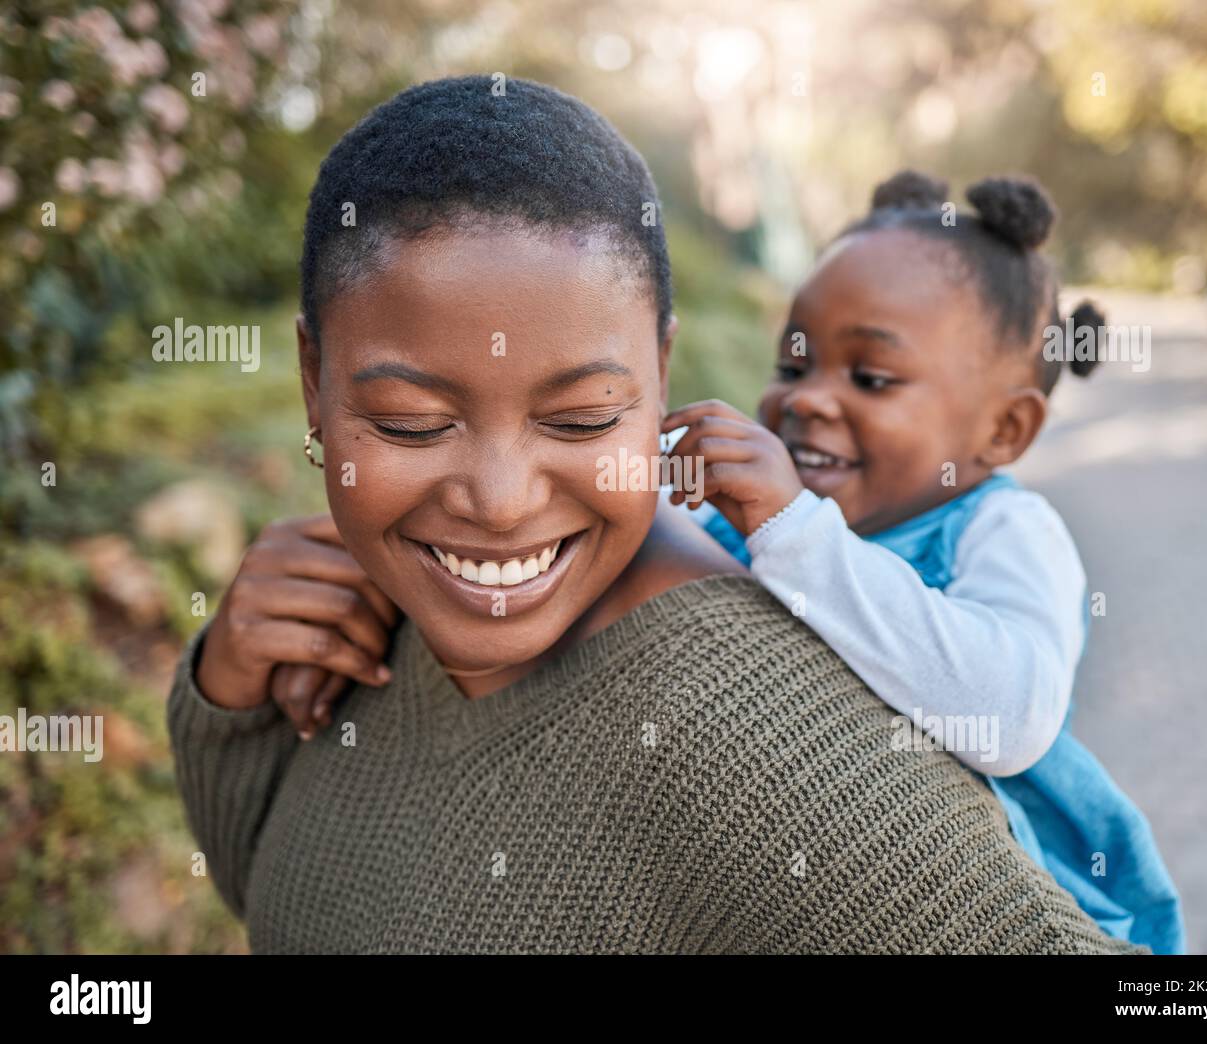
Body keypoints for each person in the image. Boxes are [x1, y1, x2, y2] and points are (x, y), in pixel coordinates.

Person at [167, 77, 1146, 954]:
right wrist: (230, 698)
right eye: (410, 422)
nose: (499, 503)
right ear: (313, 381)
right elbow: (281, 898)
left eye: (584, 416)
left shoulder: (759, 733)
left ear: (659, 375)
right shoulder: (377, 603)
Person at [662, 170, 1184, 953]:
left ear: (1003, 431)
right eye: (793, 366)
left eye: (870, 378)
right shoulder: (741, 512)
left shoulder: (1003, 529)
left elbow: (1010, 718)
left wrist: (795, 532)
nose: (806, 400)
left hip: (978, 905)